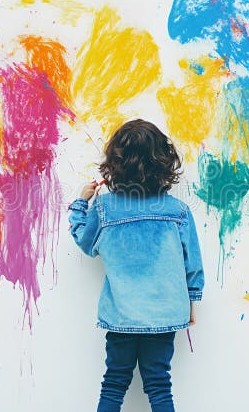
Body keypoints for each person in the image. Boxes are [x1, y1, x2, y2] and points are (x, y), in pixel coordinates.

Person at [67, 119, 204, 412]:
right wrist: (192, 302)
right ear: (163, 162)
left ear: (116, 162)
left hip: (122, 315)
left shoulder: (104, 209)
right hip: (165, 313)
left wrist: (81, 203)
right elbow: (192, 263)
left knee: (115, 383)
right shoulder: (178, 212)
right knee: (158, 384)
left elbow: (85, 243)